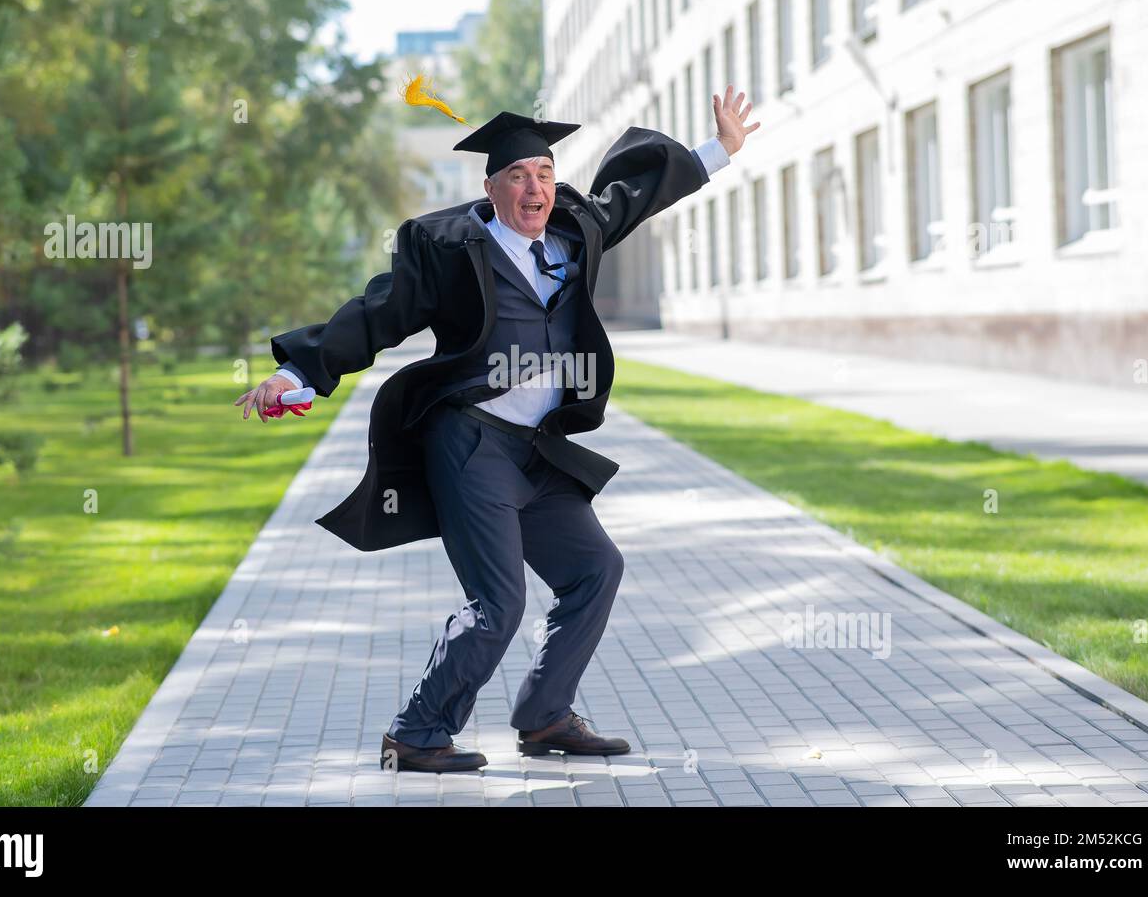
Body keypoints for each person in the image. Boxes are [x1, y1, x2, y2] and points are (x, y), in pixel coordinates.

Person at [235, 86, 759, 772]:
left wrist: (721, 148)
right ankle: (417, 731)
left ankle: (545, 718)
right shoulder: (448, 247)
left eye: (544, 174)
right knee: (498, 604)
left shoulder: (574, 227)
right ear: (492, 187)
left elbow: (634, 199)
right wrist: (297, 374)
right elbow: (378, 312)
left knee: (594, 569)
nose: (534, 187)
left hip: (536, 449)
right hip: (470, 441)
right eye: (518, 175)